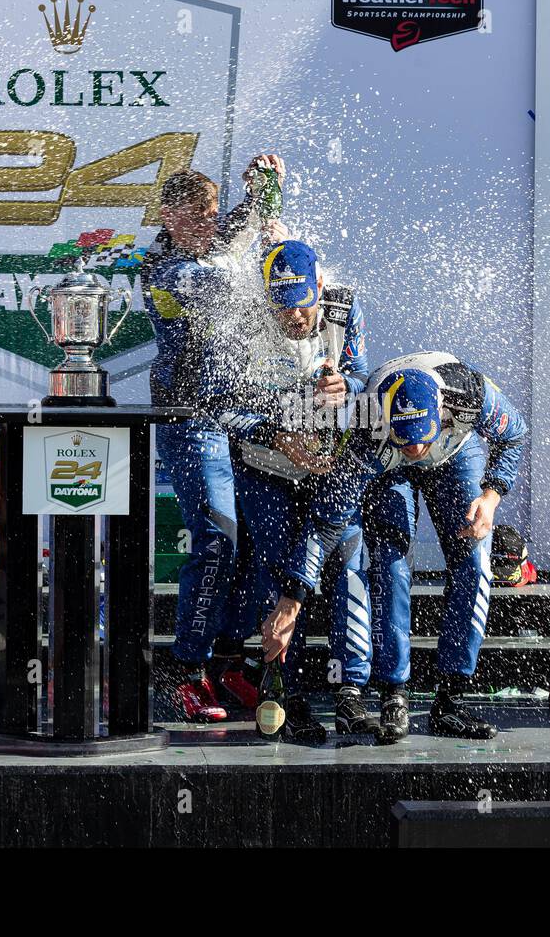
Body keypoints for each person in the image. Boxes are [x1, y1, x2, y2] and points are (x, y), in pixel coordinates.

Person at [259, 352, 528, 743]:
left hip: (456, 456)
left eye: (423, 437)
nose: (416, 450)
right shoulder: (366, 431)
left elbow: (514, 434)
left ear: (440, 410)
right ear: (387, 422)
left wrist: (491, 496)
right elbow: (327, 523)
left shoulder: (469, 391)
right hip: (389, 470)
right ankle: (394, 694)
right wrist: (292, 601)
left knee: (474, 561)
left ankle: (451, 700)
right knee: (392, 564)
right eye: (406, 439)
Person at [139, 156, 286, 722]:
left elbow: (248, 227)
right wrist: (260, 237)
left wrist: (265, 187)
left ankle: (228, 663)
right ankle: (185, 672)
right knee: (217, 540)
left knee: (255, 540)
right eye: (195, 214)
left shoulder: (218, 242)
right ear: (169, 215)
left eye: (211, 212)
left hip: (243, 414)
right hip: (190, 419)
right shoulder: (162, 268)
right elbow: (223, 277)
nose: (207, 221)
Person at [211, 239, 371, 742]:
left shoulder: (344, 307)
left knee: (348, 563)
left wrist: (346, 385)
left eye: (302, 303)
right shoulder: (244, 323)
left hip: (328, 465)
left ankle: (351, 692)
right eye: (282, 306)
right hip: (266, 468)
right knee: (278, 571)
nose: (294, 316)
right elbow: (219, 404)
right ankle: (287, 693)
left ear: (319, 285)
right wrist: (280, 435)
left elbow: (365, 378)